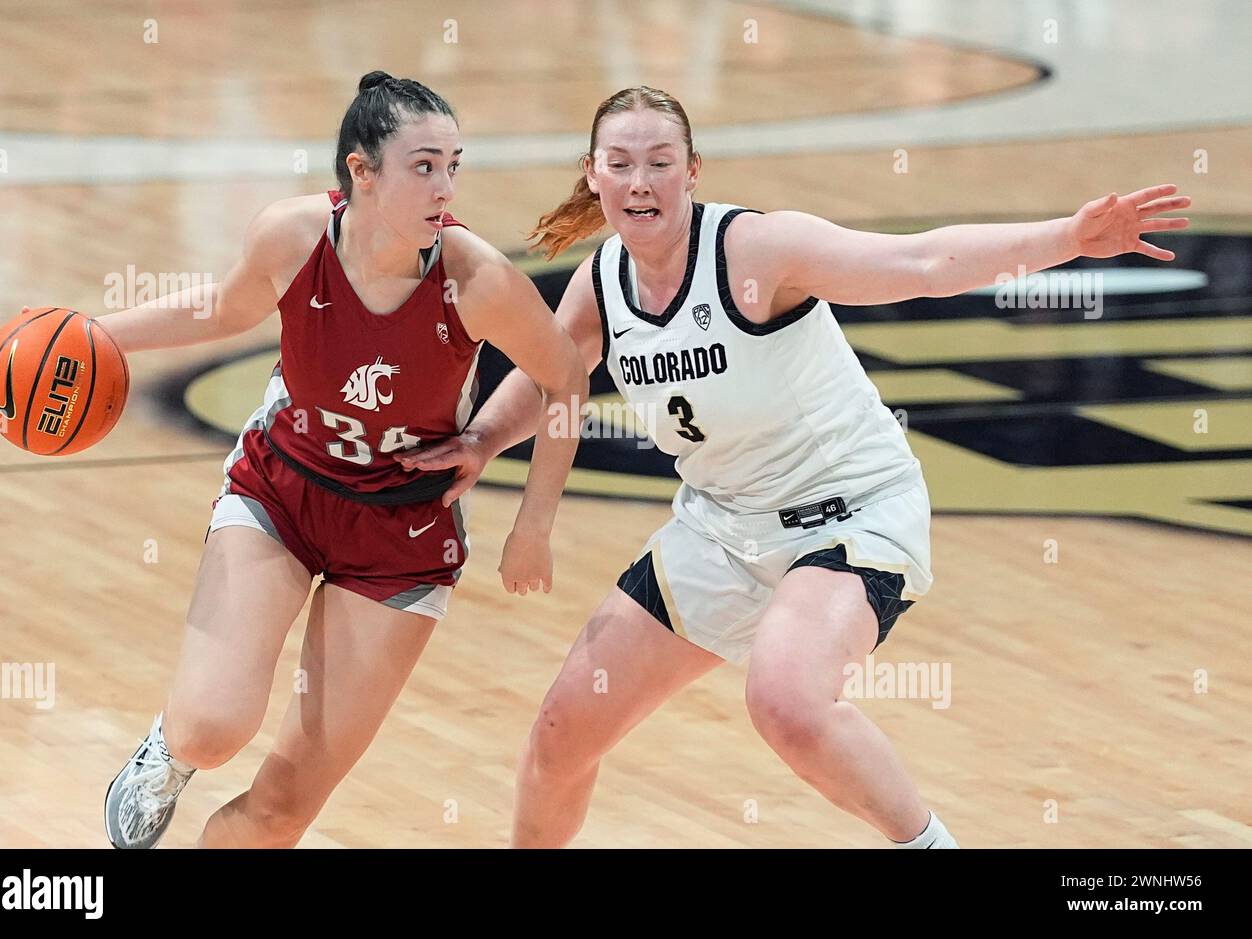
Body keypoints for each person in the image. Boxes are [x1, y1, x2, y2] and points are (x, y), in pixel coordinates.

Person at [397, 85, 1190, 848]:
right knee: (562, 732)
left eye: (662, 162)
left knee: (787, 701)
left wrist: (1067, 238)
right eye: (623, 163)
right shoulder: (603, 282)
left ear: (693, 170)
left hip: (851, 513)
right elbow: (549, 377)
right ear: (594, 173)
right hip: (721, 528)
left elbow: (920, 264)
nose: (642, 182)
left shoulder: (755, 250)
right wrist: (480, 441)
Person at [96, 71, 587, 848]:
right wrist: (98, 332)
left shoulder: (477, 280)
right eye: (423, 166)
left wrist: (528, 512)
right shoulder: (292, 237)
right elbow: (222, 308)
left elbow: (564, 375)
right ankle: (170, 749)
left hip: (402, 535)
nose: (444, 187)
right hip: (283, 492)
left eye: (454, 165)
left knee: (285, 809)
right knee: (212, 727)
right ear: (362, 171)